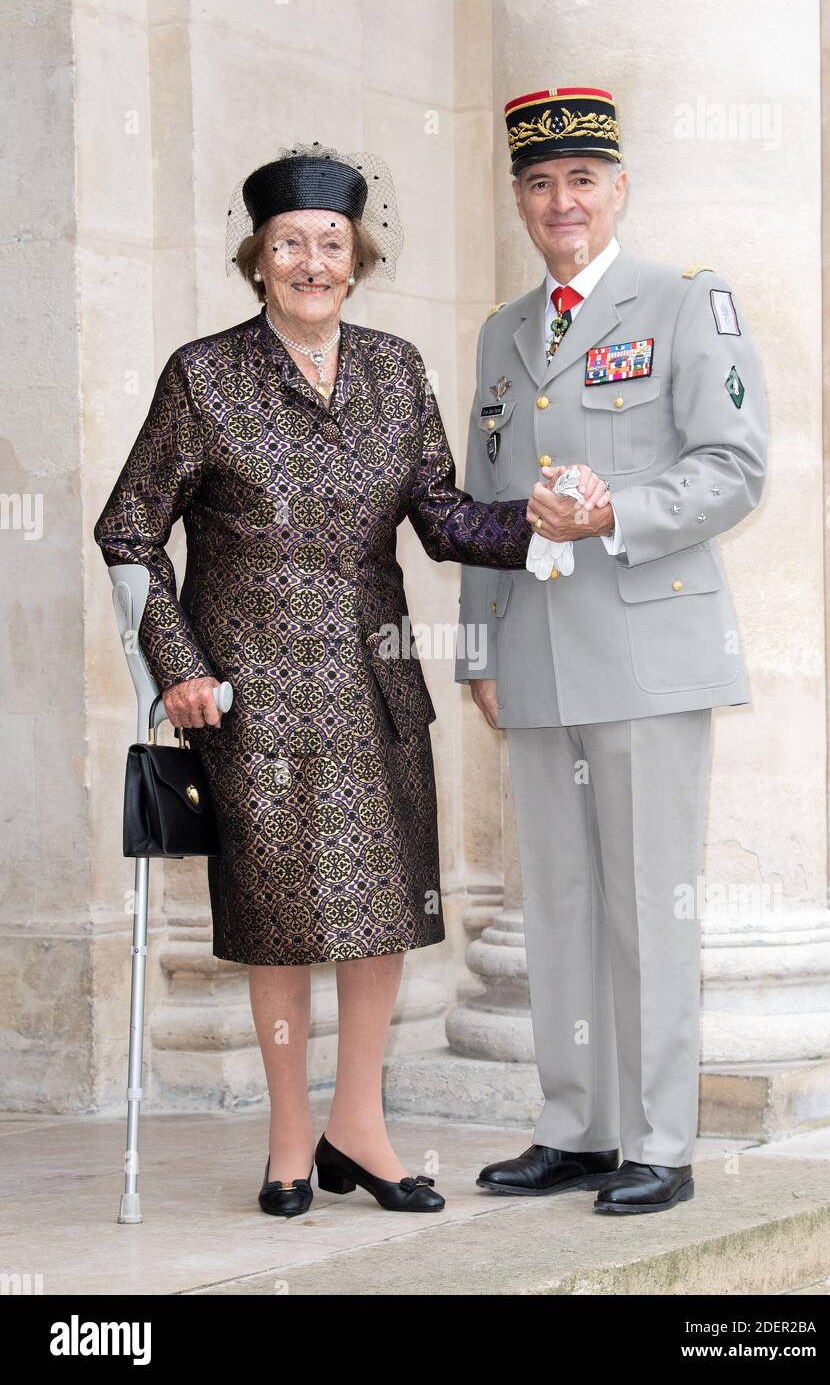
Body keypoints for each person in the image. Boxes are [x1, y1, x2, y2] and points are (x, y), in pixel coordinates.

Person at [94, 142, 601, 1218]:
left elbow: (443, 516)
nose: (312, 262)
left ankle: (355, 1128)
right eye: (289, 245)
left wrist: (541, 524)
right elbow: (129, 530)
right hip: (251, 693)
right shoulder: (202, 374)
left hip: (375, 680)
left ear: (358, 257)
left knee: (380, 915)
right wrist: (176, 666)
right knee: (277, 916)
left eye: (331, 244)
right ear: (258, 259)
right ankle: (287, 1141)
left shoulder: (395, 368)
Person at [456, 88, 768, 1213]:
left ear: (616, 187)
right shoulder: (500, 332)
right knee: (561, 903)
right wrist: (472, 649)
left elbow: (733, 465)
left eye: (580, 179)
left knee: (646, 900)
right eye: (538, 184)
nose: (560, 201)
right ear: (520, 201)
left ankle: (657, 1140)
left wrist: (613, 514)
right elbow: (485, 502)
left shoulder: (684, 302)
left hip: (645, 646)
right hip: (534, 654)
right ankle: (575, 1126)